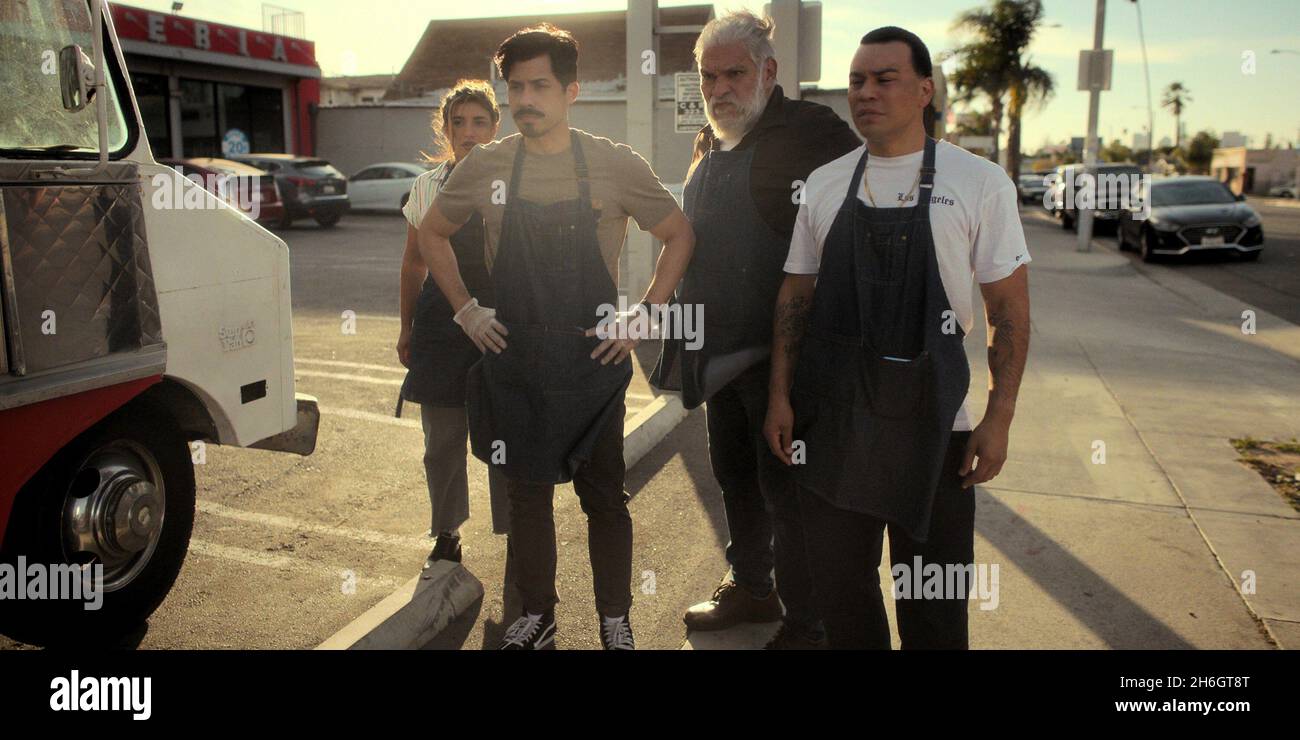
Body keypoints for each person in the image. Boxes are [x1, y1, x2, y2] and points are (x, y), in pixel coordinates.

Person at [416, 24, 695, 650]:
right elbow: (432, 234)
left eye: (540, 85)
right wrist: (465, 311)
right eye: (515, 86)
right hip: (513, 359)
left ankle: (614, 621)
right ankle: (538, 616)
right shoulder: (486, 165)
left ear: (572, 90)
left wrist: (646, 315)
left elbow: (679, 233)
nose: (525, 99)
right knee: (527, 497)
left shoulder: (614, 164)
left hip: (591, 362)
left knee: (605, 499)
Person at [764, 26, 1031, 649]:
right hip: (834, 423)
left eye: (885, 79)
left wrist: (1000, 418)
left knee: (932, 603)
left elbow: (1009, 310)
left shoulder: (979, 182)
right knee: (844, 598)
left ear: (924, 91)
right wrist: (780, 394)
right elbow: (794, 298)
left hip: (937, 427)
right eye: (857, 80)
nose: (866, 92)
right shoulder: (826, 184)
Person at [649, 11, 861, 649]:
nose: (718, 88)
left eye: (734, 73)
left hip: (786, 362)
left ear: (768, 71)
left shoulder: (813, 131)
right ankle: (752, 587)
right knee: (734, 474)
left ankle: (809, 624)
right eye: (708, 76)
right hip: (721, 358)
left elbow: (864, 214)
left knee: (790, 493)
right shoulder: (710, 141)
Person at [396, 80, 509, 565]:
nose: (468, 131)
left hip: (502, 325)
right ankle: (447, 533)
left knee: (506, 437)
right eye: (458, 122)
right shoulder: (426, 187)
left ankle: (514, 528)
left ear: (495, 128)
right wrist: (406, 329)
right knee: (441, 443)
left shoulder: (513, 183)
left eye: (479, 122)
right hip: (440, 328)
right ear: (445, 129)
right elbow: (413, 264)